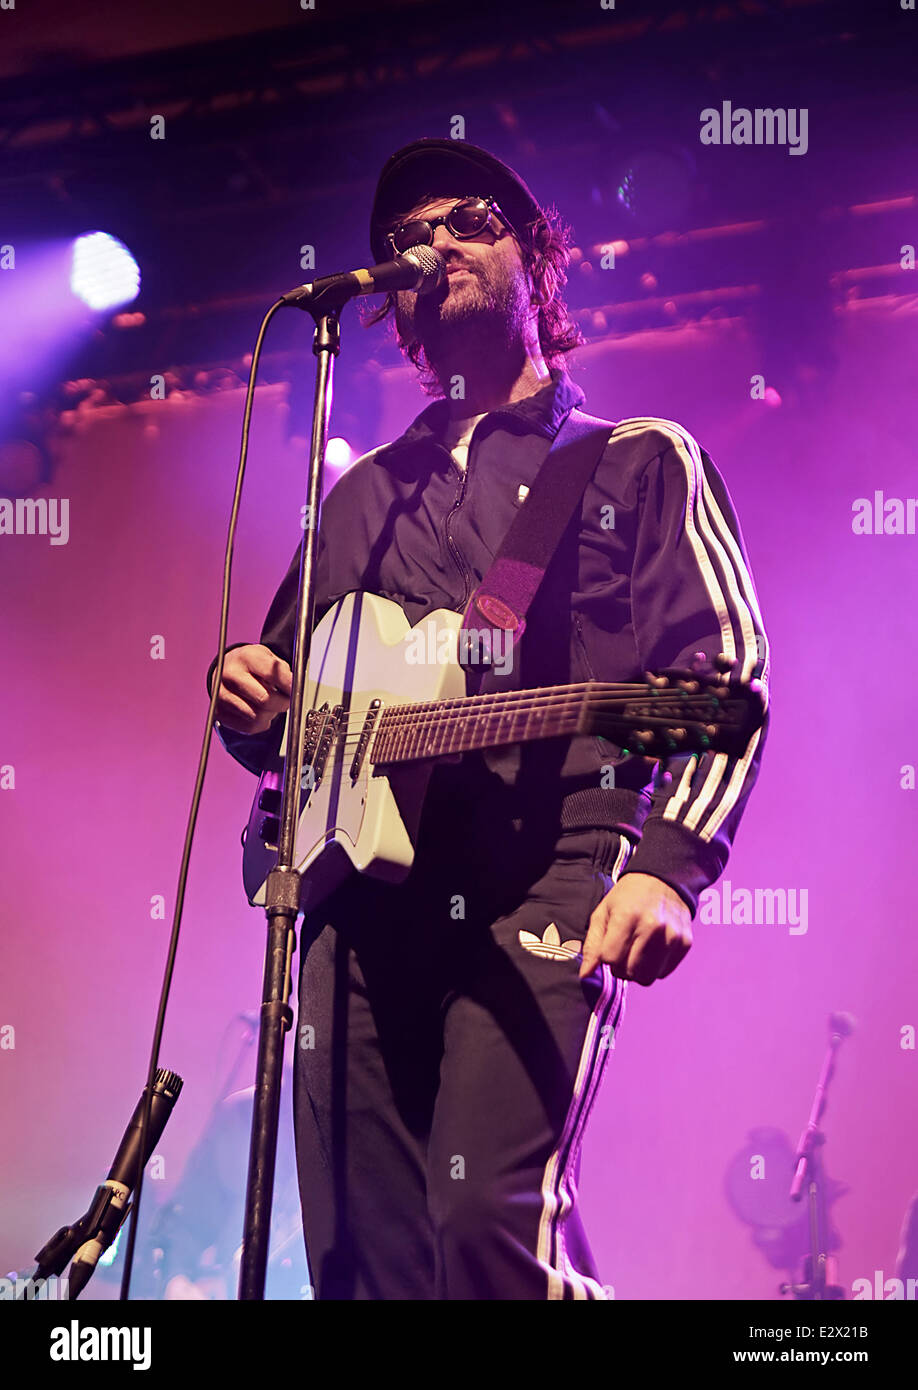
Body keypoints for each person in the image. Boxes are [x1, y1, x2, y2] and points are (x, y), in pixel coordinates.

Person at [207, 138, 770, 1300]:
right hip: (357, 905)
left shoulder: (633, 460)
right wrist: (247, 697)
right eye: (408, 237)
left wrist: (666, 869)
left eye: (468, 220)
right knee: (360, 1259)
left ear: (537, 261)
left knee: (482, 1227)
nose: (436, 244)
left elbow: (726, 674)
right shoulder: (360, 496)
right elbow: (285, 710)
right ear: (391, 310)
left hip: (550, 873)